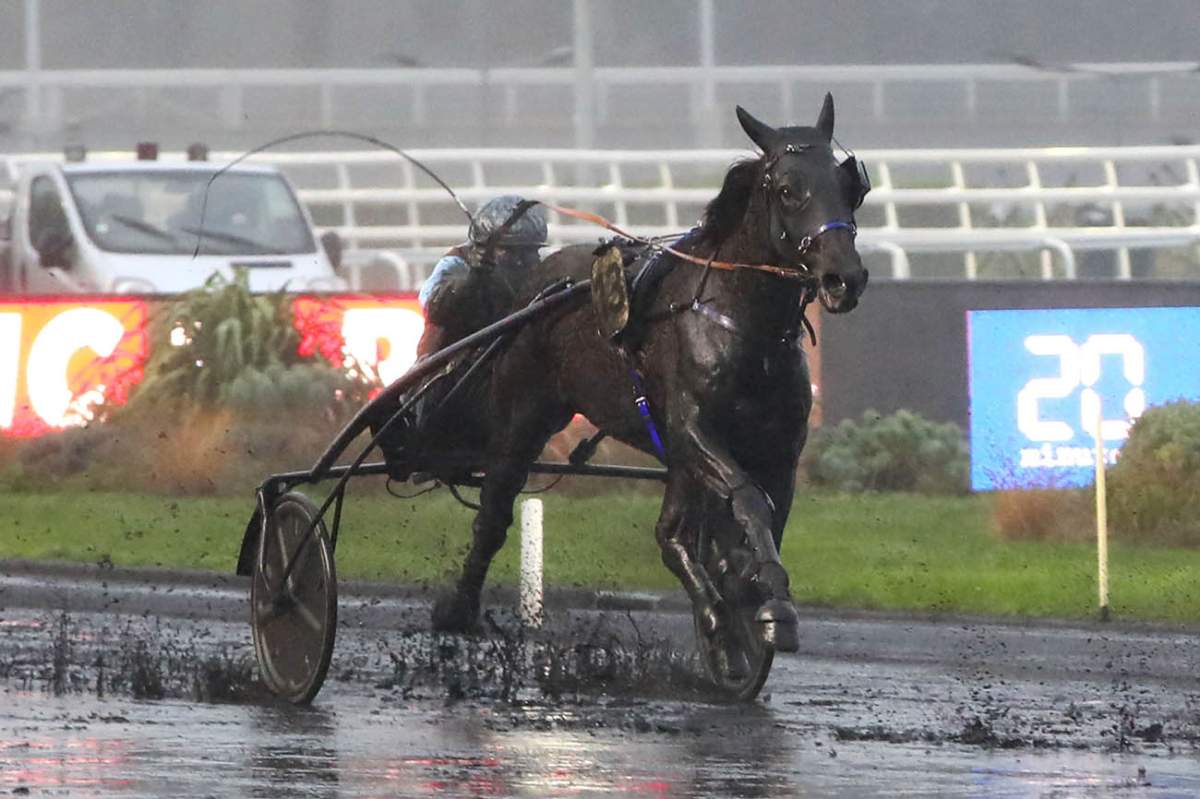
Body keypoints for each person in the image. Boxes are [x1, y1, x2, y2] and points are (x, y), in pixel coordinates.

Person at [416, 194, 548, 357]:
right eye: (511, 251)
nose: (520, 261)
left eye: (529, 251)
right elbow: (432, 305)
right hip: (458, 359)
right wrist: (472, 280)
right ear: (483, 248)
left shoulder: (542, 271)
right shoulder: (456, 262)